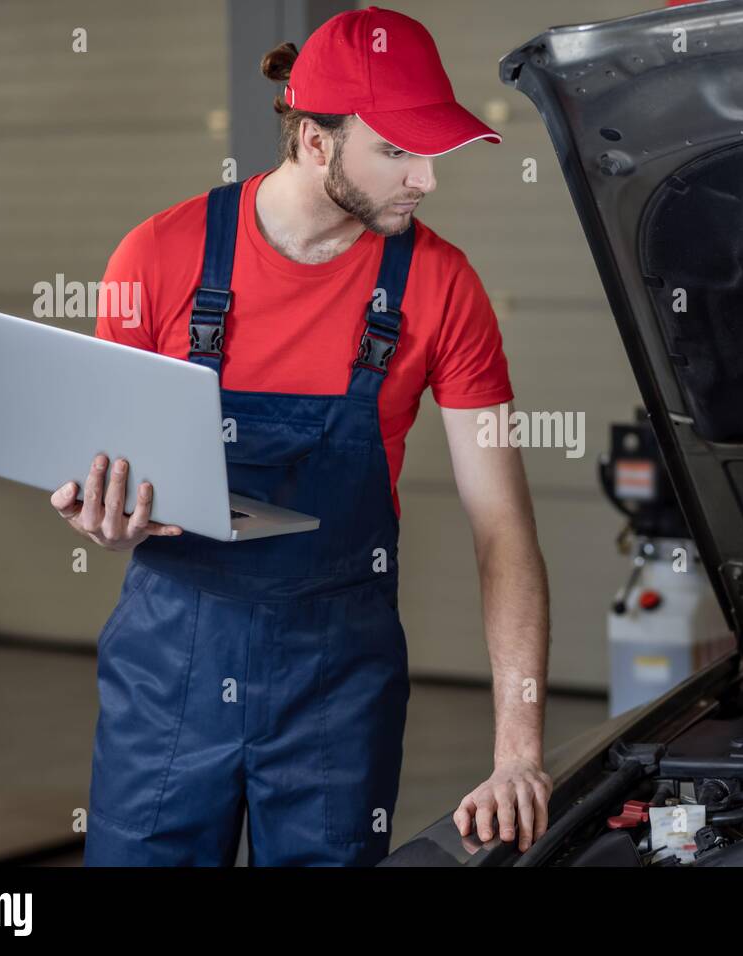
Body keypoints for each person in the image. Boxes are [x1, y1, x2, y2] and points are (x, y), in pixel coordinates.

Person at [50, 6, 552, 865]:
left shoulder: (443, 287)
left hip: (337, 687)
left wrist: (519, 756)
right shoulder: (158, 256)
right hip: (167, 674)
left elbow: (503, 527)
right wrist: (99, 518)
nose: (425, 179)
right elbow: (103, 478)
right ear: (316, 143)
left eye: (431, 150)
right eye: (397, 151)